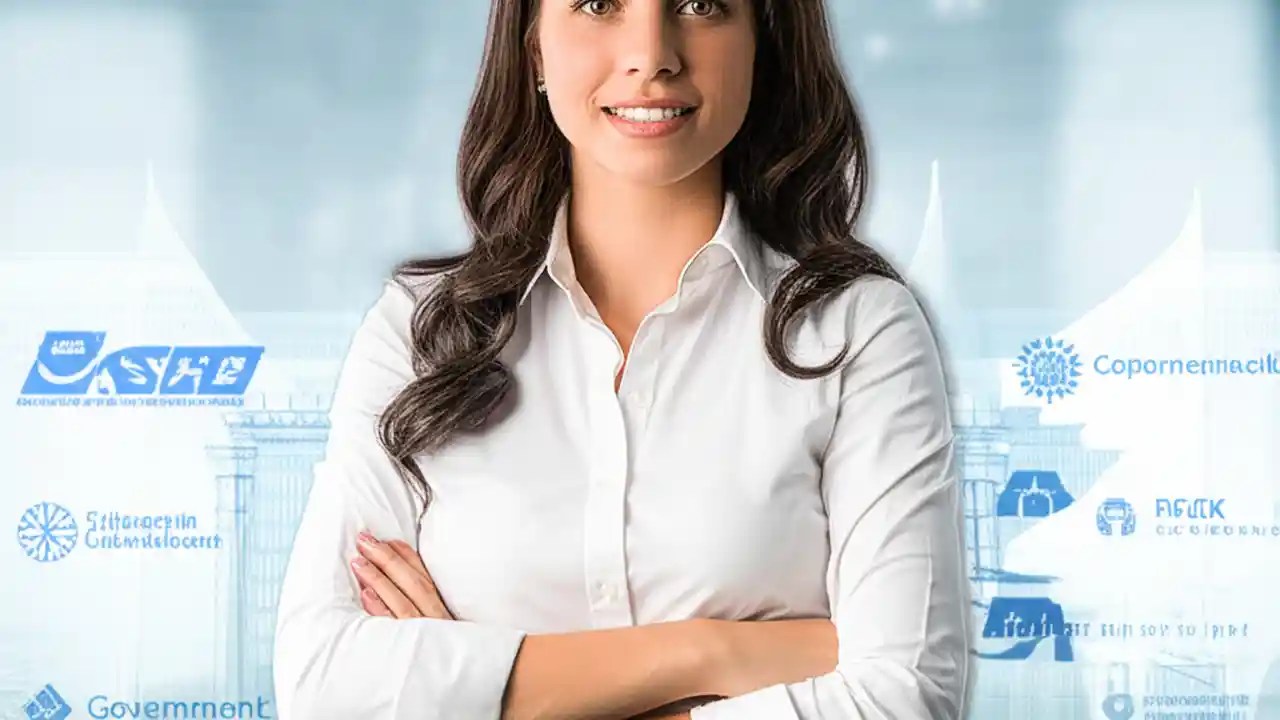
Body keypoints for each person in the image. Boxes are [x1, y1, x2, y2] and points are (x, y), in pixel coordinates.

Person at [273, 0, 972, 718]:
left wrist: (478, 690)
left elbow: (903, 699)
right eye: (599, 5)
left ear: (763, 39)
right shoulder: (420, 332)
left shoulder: (860, 331)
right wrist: (712, 652)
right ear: (534, 49)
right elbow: (323, 686)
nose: (652, 55)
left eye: (701, 5)